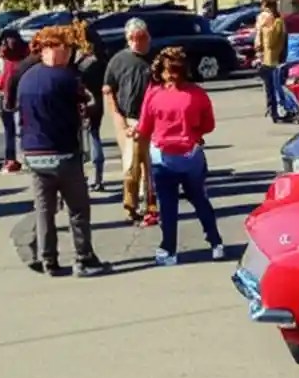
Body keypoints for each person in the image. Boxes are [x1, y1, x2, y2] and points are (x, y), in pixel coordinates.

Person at [16, 25, 109, 278]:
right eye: (66, 48)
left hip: (34, 153)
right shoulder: (67, 79)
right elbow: (88, 104)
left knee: (44, 210)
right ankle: (83, 258)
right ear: (52, 49)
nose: (69, 53)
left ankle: (49, 260)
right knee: (78, 209)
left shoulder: (26, 78)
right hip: (63, 152)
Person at [133, 46, 224, 265]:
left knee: (168, 206)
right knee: (200, 199)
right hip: (190, 155)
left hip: (163, 157)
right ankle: (215, 242)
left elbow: (144, 127)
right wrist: (194, 132)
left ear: (161, 71)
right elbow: (209, 125)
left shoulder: (154, 94)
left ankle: (169, 249)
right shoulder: (197, 94)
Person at [102, 17, 158, 225]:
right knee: (131, 167)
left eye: (140, 37)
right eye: (132, 38)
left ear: (147, 37)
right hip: (130, 120)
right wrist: (118, 118)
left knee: (151, 168)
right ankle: (130, 205)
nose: (136, 42)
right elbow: (108, 90)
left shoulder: (156, 59)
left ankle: (150, 206)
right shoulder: (118, 60)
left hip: (154, 121)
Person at [71, 20, 107, 191]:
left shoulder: (77, 59)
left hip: (80, 100)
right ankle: (98, 177)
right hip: (97, 98)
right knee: (95, 136)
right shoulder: (99, 56)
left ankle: (79, 177)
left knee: (78, 141)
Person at [0, 28, 29, 174]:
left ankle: (10, 159)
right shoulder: (25, 56)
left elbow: (1, 80)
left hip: (5, 95)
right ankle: (25, 157)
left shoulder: (4, 57)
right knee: (23, 128)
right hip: (22, 95)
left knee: (9, 131)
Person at [255, 0, 288, 121]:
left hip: (275, 60)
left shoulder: (278, 22)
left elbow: (271, 42)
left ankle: (280, 110)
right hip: (266, 60)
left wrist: (264, 27)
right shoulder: (264, 24)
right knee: (269, 88)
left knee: (276, 87)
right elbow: (259, 43)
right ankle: (272, 110)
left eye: (267, 10)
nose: (265, 13)